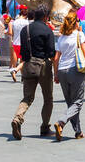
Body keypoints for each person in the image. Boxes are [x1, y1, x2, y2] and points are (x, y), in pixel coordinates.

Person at [12, 7, 57, 139]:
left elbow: (23, 51)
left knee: (27, 98)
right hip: (43, 66)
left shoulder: (25, 30)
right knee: (48, 99)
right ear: (45, 17)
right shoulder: (47, 30)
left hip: (27, 65)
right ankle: (44, 127)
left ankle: (17, 118)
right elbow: (51, 53)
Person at [52, 10, 85, 141]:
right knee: (77, 103)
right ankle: (61, 122)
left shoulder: (61, 38)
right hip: (75, 70)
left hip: (62, 70)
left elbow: (56, 58)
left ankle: (78, 131)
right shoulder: (79, 35)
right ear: (75, 23)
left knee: (71, 103)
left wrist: (55, 74)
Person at [7, 10, 29, 82]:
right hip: (23, 43)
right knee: (24, 61)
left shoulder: (14, 22)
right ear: (26, 16)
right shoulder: (26, 22)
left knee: (21, 60)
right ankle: (15, 70)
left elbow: (12, 33)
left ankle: (23, 77)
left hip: (15, 43)